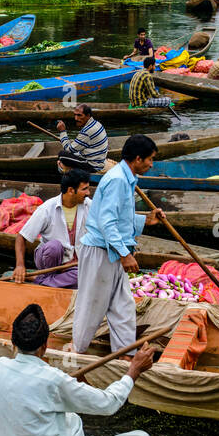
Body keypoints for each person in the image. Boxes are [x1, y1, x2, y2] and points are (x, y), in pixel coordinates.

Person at [0, 304, 155, 436]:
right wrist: (134, 370)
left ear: (13, 344)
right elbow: (109, 403)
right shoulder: (53, 379)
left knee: (71, 417)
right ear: (44, 347)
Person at [72, 134, 165, 354]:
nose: (152, 165)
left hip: (112, 252)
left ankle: (125, 354)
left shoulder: (127, 179)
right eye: (150, 160)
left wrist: (146, 220)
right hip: (100, 252)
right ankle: (76, 351)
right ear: (138, 158)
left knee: (123, 306)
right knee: (92, 306)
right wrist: (125, 254)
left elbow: (120, 217)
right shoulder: (117, 180)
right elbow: (106, 222)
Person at [13, 169, 91, 288]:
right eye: (84, 189)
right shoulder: (47, 209)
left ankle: (41, 279)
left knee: (83, 276)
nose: (88, 193)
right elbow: (21, 237)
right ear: (71, 190)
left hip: (73, 266)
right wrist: (20, 266)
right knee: (54, 246)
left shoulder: (89, 205)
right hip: (48, 260)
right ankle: (52, 278)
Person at [55, 104, 108, 173]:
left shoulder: (87, 131)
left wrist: (62, 132)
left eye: (79, 115)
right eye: (75, 115)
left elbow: (68, 149)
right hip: (98, 162)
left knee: (62, 155)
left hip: (93, 166)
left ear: (88, 116)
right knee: (73, 150)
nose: (76, 118)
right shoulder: (96, 123)